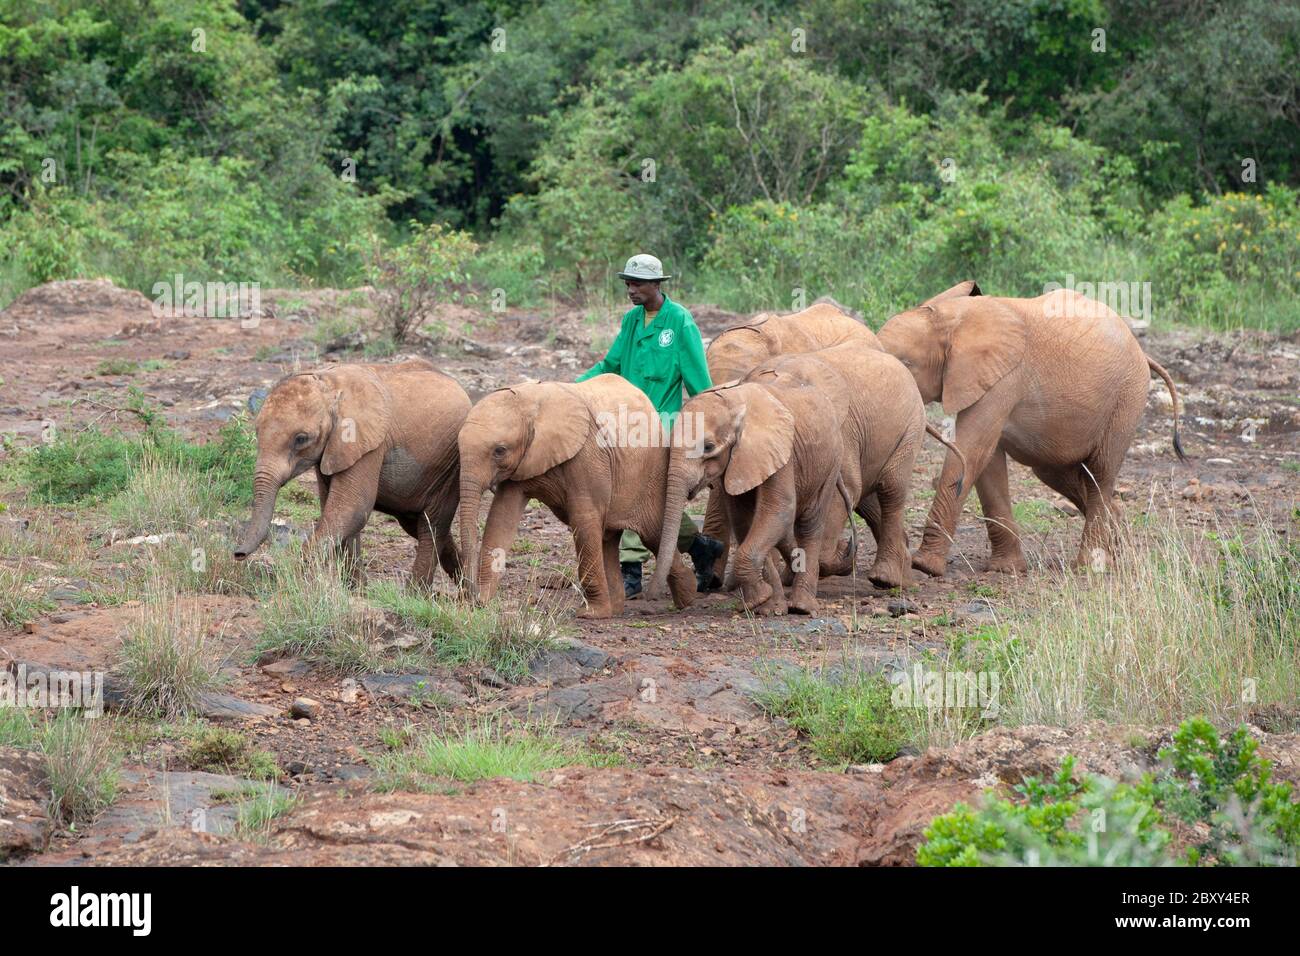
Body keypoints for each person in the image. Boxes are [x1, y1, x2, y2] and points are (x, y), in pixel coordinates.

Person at [577, 253, 724, 597]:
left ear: (657, 284)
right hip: (621, 422)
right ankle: (701, 547)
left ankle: (630, 572)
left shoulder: (680, 322)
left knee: (629, 500)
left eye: (638, 283)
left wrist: (703, 432)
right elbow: (610, 363)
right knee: (649, 503)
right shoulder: (631, 321)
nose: (631, 289)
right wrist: (572, 388)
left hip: (657, 427)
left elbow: (699, 386)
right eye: (628, 283)